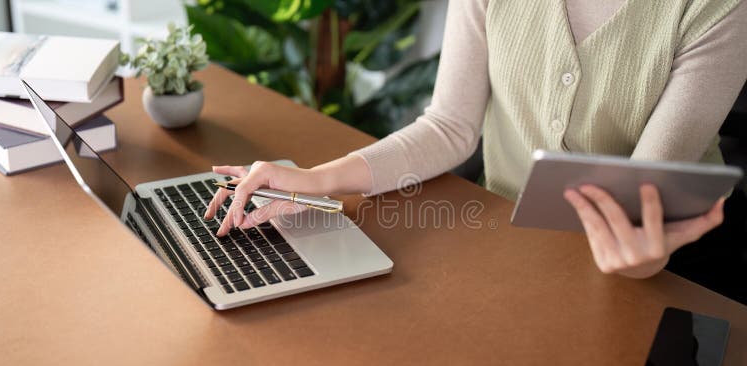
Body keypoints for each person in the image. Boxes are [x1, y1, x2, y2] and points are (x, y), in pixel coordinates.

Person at [205, 0, 747, 281]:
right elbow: (449, 127)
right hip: (508, 243)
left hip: (669, 265)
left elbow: (643, 208)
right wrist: (315, 181)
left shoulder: (719, 10)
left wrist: (638, 262)